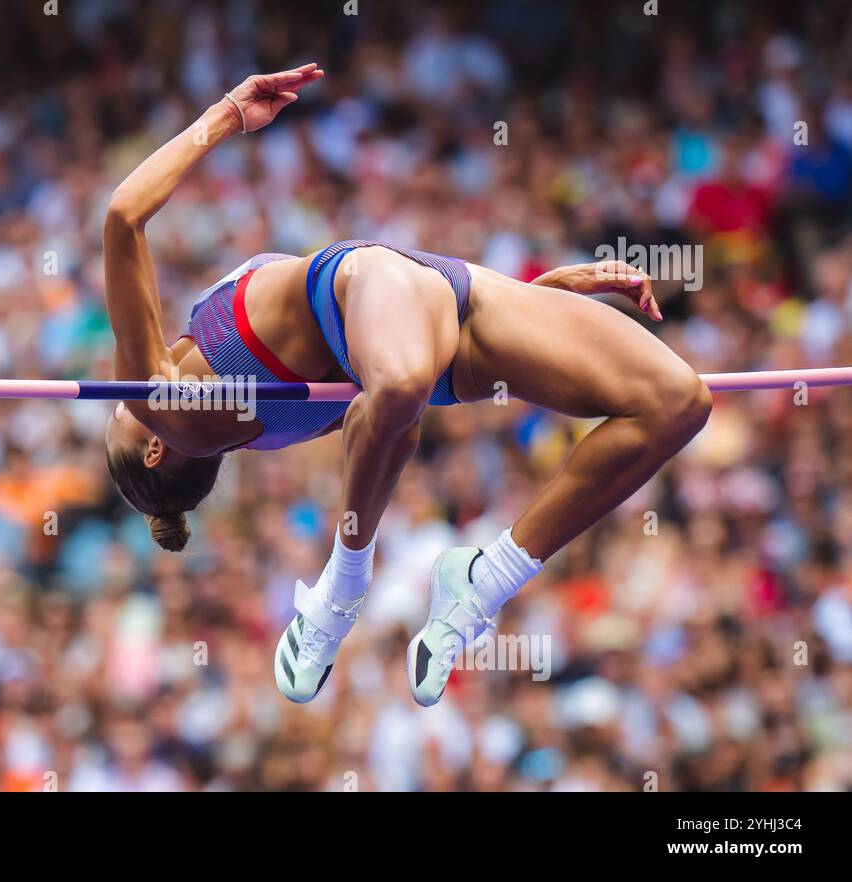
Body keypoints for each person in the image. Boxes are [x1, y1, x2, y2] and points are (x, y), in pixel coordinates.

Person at [101, 63, 713, 706]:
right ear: (154, 448)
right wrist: (228, 113)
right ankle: (337, 595)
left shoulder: (261, 424)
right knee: (397, 391)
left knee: (678, 402)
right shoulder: (168, 404)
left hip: (437, 305)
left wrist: (541, 303)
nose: (115, 399)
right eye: (115, 417)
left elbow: (385, 361)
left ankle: (480, 579)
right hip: (382, 304)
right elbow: (122, 216)